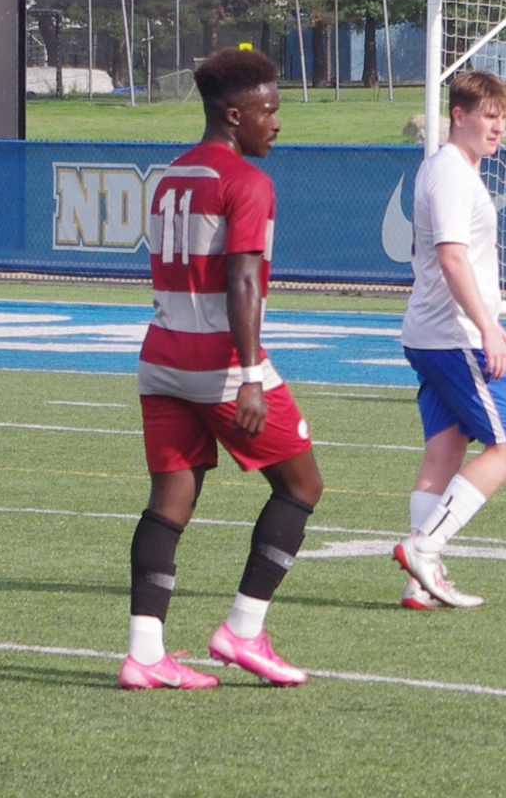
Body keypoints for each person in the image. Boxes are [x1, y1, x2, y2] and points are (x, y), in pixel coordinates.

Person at [121, 47, 324, 691]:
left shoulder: (171, 175)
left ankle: (145, 652)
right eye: (269, 110)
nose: (277, 123)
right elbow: (242, 283)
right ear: (234, 115)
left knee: (171, 500)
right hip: (218, 364)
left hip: (160, 357)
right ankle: (242, 630)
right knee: (301, 487)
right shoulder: (248, 182)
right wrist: (251, 373)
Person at [394, 69, 506, 610]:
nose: (499, 127)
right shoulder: (450, 172)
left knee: (444, 452)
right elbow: (452, 257)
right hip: (455, 335)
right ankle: (425, 547)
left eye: (503, 117)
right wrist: (489, 327)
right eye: (488, 116)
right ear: (459, 115)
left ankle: (418, 584)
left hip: (431, 333)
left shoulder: (456, 171)